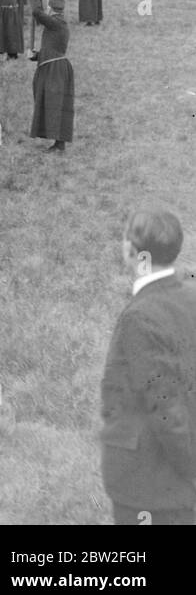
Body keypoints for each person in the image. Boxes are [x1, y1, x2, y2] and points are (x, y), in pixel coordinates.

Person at [101, 210, 196, 525]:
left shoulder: (140, 318)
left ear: (133, 253)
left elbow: (164, 406)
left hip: (152, 486)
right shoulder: (189, 293)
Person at [29, 0, 74, 152]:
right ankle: (57, 143)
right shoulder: (56, 23)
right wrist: (37, 56)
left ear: (51, 8)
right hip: (51, 66)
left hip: (56, 70)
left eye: (47, 6)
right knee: (50, 103)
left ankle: (59, 144)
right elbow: (52, 48)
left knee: (55, 105)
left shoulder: (57, 22)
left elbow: (37, 13)